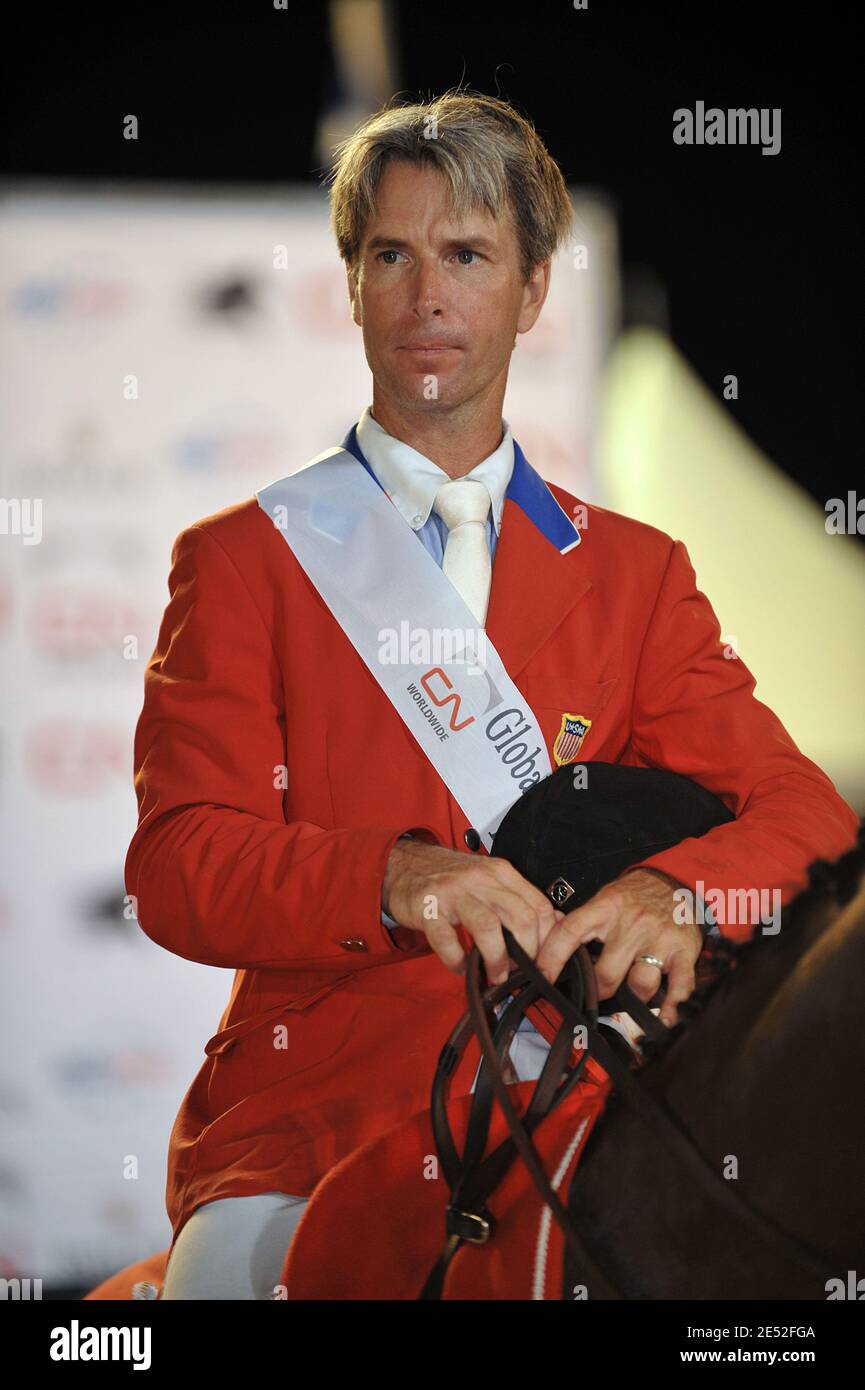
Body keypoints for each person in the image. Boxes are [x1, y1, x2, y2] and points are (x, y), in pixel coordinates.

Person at [127, 89, 859, 1298]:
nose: (426, 298)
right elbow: (180, 864)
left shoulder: (634, 572)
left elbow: (806, 819)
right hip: (317, 1110)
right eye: (391, 256)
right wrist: (391, 876)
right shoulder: (243, 558)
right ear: (352, 285)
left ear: (529, 294)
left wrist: (679, 893)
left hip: (585, 1089)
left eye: (466, 256)